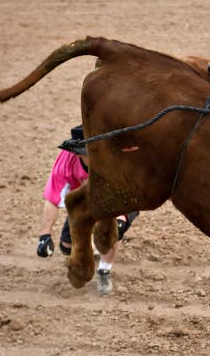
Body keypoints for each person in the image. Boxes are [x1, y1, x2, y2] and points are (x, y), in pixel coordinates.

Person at [36, 125, 138, 296]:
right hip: (83, 201)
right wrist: (44, 235)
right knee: (67, 247)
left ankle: (104, 270)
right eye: (91, 152)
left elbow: (128, 197)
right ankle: (92, 247)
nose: (99, 155)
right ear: (78, 153)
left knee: (113, 232)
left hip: (120, 197)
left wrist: (119, 221)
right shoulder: (66, 163)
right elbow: (52, 198)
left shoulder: (117, 158)